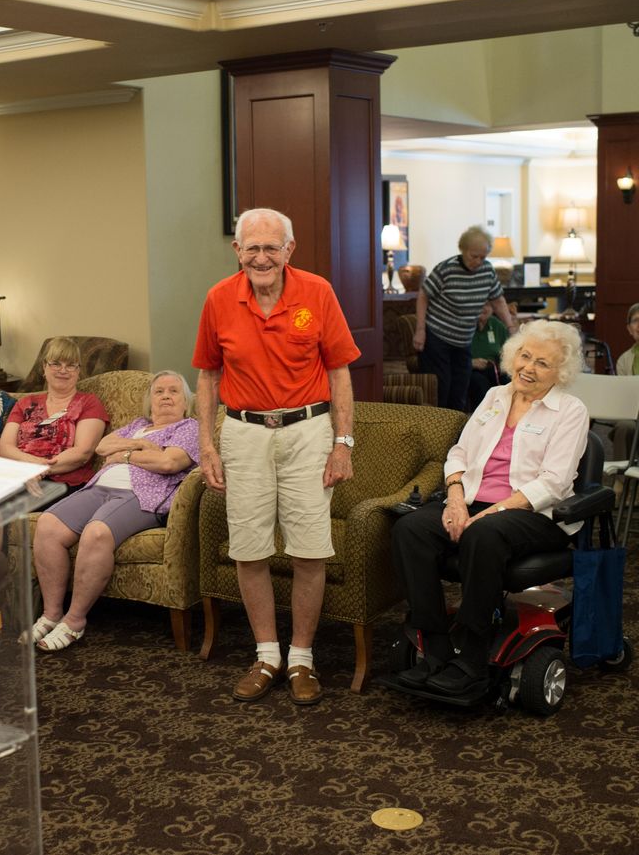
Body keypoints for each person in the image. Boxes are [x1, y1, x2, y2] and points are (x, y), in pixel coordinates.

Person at [193, 207, 359, 706]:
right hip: (244, 434)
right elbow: (206, 376)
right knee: (249, 548)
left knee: (310, 548)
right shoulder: (219, 299)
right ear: (237, 251)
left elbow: (340, 372)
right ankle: (268, 655)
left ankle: (302, 658)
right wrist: (206, 443)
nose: (261, 257)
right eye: (252, 247)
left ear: (289, 250)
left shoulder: (317, 292)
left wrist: (342, 442)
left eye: (272, 247)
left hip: (308, 430)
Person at [391, 320, 589, 695]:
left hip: (535, 512)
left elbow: (555, 481)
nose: (528, 368)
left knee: (484, 533)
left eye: (542, 363)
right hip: (473, 498)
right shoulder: (495, 396)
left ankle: (472, 656)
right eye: (525, 356)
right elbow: (459, 453)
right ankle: (434, 646)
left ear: (560, 372)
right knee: (411, 529)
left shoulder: (569, 410)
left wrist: (489, 513)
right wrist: (454, 500)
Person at [30, 371, 199, 652]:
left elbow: (169, 463)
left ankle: (74, 621)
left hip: (143, 494)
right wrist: (141, 445)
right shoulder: (137, 426)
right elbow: (102, 447)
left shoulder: (188, 428)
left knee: (97, 532)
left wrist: (126, 456)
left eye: (173, 391)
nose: (166, 397)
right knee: (47, 525)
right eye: (159, 392)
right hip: (97, 489)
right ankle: (51, 614)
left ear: (185, 402)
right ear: (150, 402)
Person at [413, 226, 516, 410]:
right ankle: (438, 433)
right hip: (438, 336)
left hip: (463, 340)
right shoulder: (447, 269)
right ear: (463, 250)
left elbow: (498, 301)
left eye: (482, 257)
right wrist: (420, 329)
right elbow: (423, 295)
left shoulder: (487, 271)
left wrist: (510, 327)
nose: (478, 261)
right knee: (441, 388)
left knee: (460, 388)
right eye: (473, 256)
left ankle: (458, 434)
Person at [0, 336, 108, 489]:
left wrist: (41, 470)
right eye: (56, 364)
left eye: (71, 365)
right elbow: (5, 447)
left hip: (64, 483)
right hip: (19, 476)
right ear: (44, 367)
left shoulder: (89, 403)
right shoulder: (25, 403)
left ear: (78, 371)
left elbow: (83, 452)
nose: (63, 370)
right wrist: (30, 467)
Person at [609, 303, 639, 461]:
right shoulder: (624, 360)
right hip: (633, 415)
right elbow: (623, 399)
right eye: (636, 320)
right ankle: (620, 481)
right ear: (629, 329)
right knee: (624, 426)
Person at [467, 301, 509, 409]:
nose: (483, 308)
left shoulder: (497, 326)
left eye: (487, 305)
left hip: (493, 368)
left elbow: (507, 351)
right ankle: (483, 417)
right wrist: (471, 363)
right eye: (479, 304)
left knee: (509, 380)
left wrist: (503, 365)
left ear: (493, 308)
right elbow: (452, 355)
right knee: (480, 383)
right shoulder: (464, 326)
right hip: (469, 369)